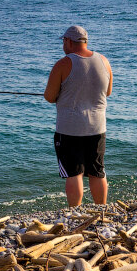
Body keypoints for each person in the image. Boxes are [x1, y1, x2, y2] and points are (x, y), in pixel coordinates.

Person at [44, 25, 113, 206]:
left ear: (68, 41)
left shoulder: (63, 63)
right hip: (97, 127)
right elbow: (108, 92)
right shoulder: (104, 61)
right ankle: (101, 208)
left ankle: (75, 211)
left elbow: (50, 97)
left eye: (63, 41)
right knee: (97, 171)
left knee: (74, 173)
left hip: (70, 129)